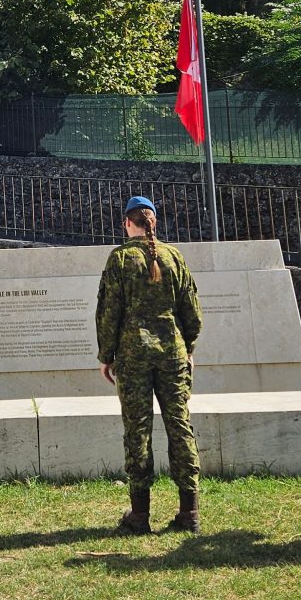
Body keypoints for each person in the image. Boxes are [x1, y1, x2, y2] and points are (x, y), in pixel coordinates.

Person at [96, 196, 203, 535]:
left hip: (134, 356)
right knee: (180, 426)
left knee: (138, 430)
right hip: (173, 352)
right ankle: (189, 512)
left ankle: (140, 515)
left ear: (128, 223)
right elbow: (192, 311)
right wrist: (188, 348)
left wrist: (106, 355)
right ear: (153, 222)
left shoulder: (120, 259)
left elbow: (109, 312)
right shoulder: (175, 257)